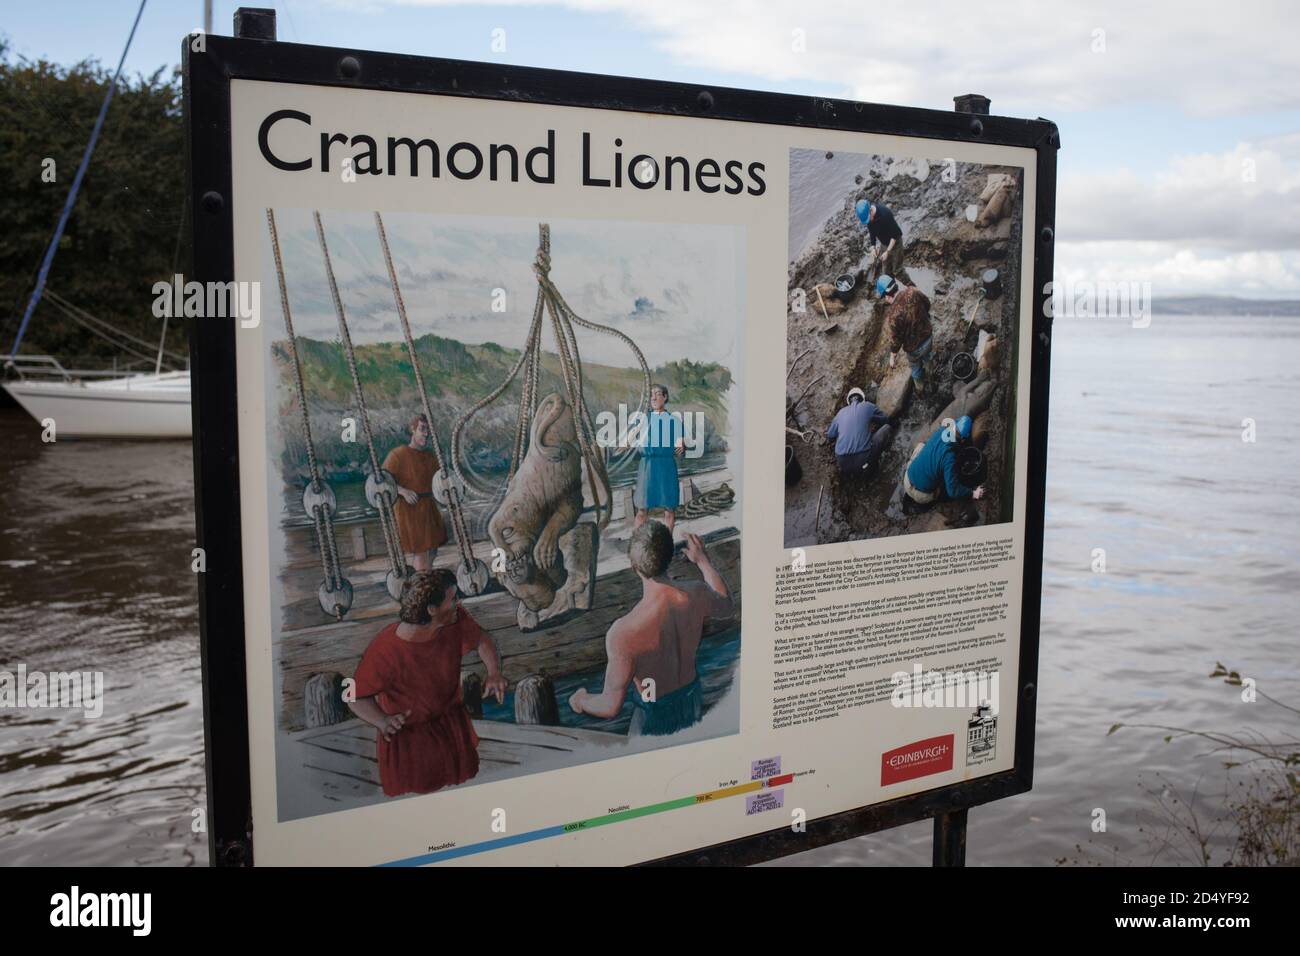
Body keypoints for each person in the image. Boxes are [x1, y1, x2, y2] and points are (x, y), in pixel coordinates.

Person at [348, 569, 507, 797]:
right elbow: (353, 695)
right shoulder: (386, 649)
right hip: (412, 744)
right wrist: (382, 721)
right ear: (432, 610)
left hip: (453, 729)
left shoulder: (455, 618)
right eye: (453, 599)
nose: (458, 603)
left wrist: (494, 672)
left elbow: (482, 638)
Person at [569, 522, 732, 736]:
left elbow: (610, 706)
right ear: (669, 556)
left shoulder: (624, 633)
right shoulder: (697, 594)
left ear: (634, 566)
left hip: (652, 718)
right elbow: (727, 606)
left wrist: (581, 701)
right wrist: (703, 561)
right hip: (691, 702)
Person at [382, 413, 448, 571]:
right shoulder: (397, 455)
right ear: (413, 429)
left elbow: (440, 479)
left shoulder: (431, 457)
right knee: (420, 552)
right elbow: (383, 481)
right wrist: (402, 491)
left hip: (428, 508)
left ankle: (428, 578)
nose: (426, 434)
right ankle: (422, 582)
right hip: (409, 509)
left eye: (428, 431)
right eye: (422, 429)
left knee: (433, 549)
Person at [632, 384, 685, 532]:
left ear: (665, 397)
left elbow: (680, 445)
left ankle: (667, 542)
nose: (653, 398)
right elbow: (631, 439)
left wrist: (682, 447)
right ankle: (636, 542)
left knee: (669, 509)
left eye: (657, 394)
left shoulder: (674, 421)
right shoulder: (642, 419)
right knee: (642, 510)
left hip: (666, 467)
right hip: (647, 467)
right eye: (651, 395)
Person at [903, 415, 985, 507]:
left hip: (907, 478)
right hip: (920, 494)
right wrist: (973, 493)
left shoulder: (941, 431)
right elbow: (953, 491)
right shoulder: (949, 457)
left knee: (922, 445)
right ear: (962, 440)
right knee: (944, 489)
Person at [878, 274, 935, 396]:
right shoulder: (913, 291)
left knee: (916, 369)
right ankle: (932, 377)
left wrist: (892, 357)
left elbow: (896, 341)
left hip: (914, 349)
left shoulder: (893, 316)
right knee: (928, 357)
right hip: (928, 338)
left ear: (887, 296)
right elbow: (927, 303)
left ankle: (920, 390)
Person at [825, 387, 897, 479]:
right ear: (863, 399)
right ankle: (871, 470)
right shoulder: (867, 406)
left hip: (842, 462)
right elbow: (884, 419)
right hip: (863, 460)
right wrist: (895, 423)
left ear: (848, 401)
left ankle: (851, 474)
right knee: (886, 428)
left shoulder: (840, 413)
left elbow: (830, 436)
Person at [855, 198, 904, 277]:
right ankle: (890, 284)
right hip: (884, 243)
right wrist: (873, 247)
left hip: (895, 242)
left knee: (898, 270)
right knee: (886, 270)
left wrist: (887, 251)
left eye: (868, 219)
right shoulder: (869, 218)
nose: (868, 222)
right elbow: (872, 232)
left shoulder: (885, 214)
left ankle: (911, 285)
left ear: (870, 210)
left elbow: (895, 235)